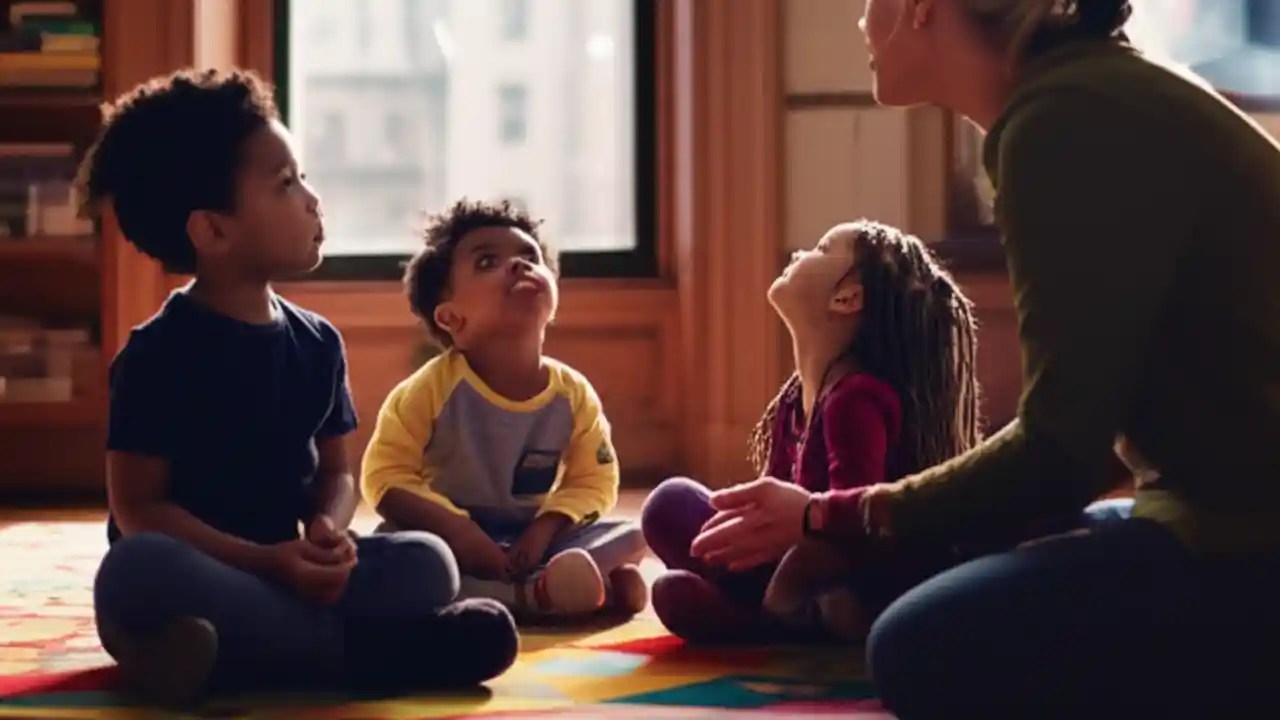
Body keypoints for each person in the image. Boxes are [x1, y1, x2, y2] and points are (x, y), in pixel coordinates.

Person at [687, 0, 1280, 715]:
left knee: (917, 644)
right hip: (1210, 514)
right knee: (951, 566)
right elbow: (1090, 440)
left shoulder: (1061, 122)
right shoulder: (1089, 95)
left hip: (1244, 541)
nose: (862, 22)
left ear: (921, 8)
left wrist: (828, 517)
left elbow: (1059, 456)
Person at [82, 69, 518, 707]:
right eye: (285, 184)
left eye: (303, 177)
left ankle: (241, 655)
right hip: (206, 574)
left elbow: (337, 472)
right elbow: (140, 511)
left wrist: (326, 533)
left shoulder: (317, 345)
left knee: (429, 561)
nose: (312, 200)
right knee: (134, 572)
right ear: (213, 230)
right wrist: (266, 563)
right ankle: (358, 655)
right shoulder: (156, 355)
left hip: (289, 572)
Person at [642, 220, 982, 643]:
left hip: (850, 562)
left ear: (847, 297)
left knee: (839, 597)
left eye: (821, 248)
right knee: (671, 503)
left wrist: (783, 584)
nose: (798, 253)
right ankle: (766, 614)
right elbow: (775, 502)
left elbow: (854, 529)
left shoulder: (855, 398)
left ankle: (772, 619)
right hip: (793, 556)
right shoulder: (794, 398)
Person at [360, 199, 648, 623]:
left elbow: (595, 480)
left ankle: (561, 584)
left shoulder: (573, 394)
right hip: (449, 540)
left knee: (636, 531)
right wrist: (460, 532)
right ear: (452, 318)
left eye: (530, 256)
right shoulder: (428, 390)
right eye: (488, 262)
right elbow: (384, 477)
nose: (518, 265)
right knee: (409, 556)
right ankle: (549, 592)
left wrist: (545, 528)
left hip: (533, 542)